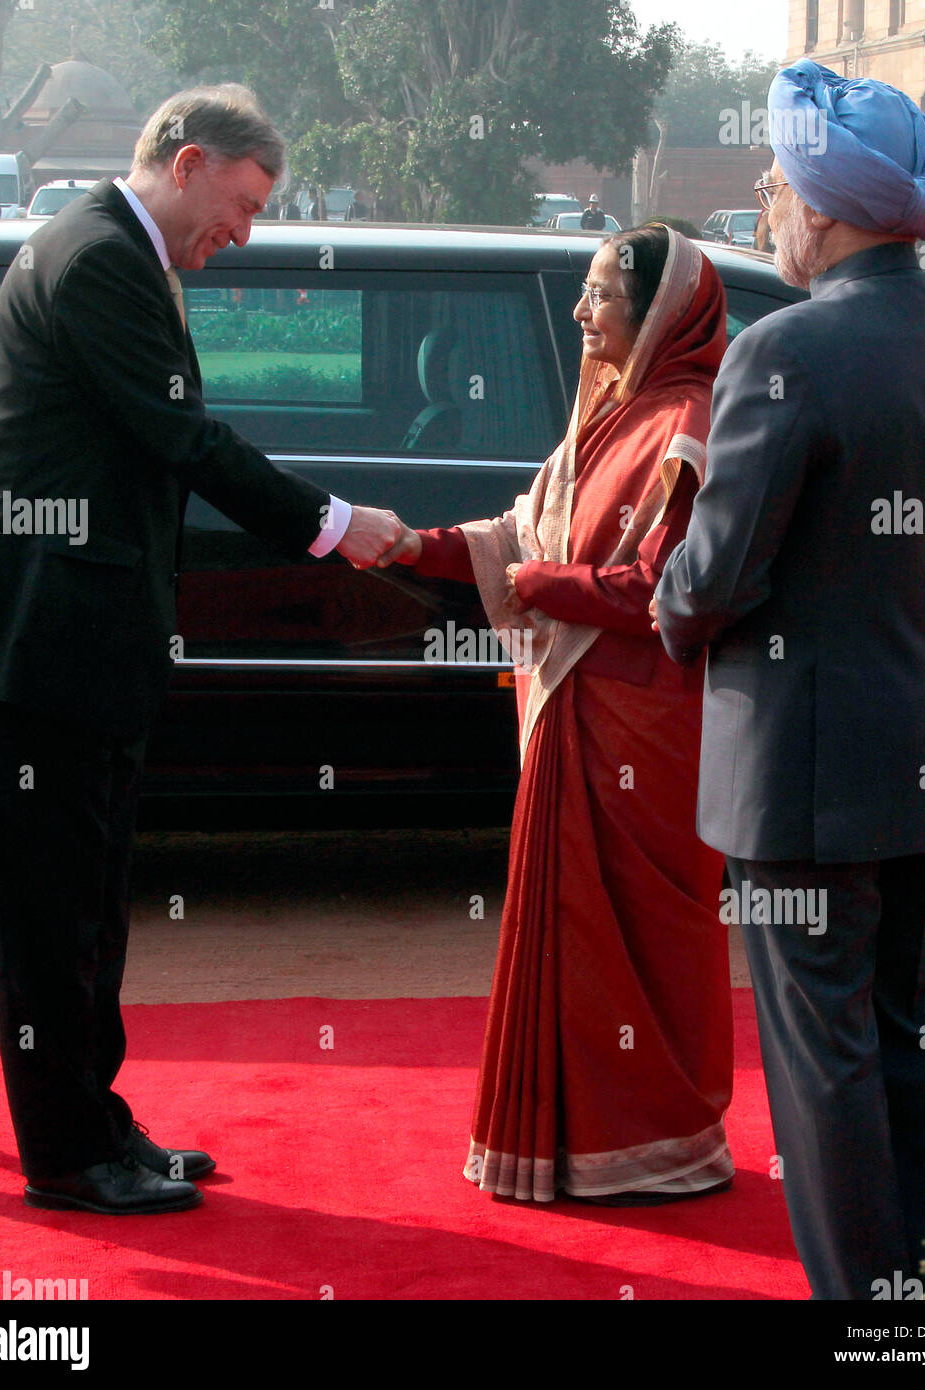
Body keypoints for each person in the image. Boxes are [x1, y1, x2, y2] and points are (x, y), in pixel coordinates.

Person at [0, 84, 400, 1215]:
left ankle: (98, 1122)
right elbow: (183, 438)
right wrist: (335, 525)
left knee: (92, 901)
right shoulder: (97, 256)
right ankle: (65, 1156)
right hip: (36, 637)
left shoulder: (118, 253)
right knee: (49, 916)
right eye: (241, 204)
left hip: (83, 637)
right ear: (188, 162)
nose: (241, 233)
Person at [652, 59, 925, 1298]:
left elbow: (712, 580)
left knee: (825, 1062)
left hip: (802, 774)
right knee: (913, 1030)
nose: (765, 205)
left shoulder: (778, 351)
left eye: (773, 183)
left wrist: (670, 571)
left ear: (821, 204)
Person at [379, 224, 735, 1204]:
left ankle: (651, 1144)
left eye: (599, 299)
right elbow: (517, 532)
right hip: (575, 714)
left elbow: (658, 592)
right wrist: (418, 546)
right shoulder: (608, 414)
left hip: (644, 732)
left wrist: (538, 582)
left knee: (635, 943)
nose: (581, 314)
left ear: (660, 315)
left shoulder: (690, 428)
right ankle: (564, 1148)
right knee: (570, 937)